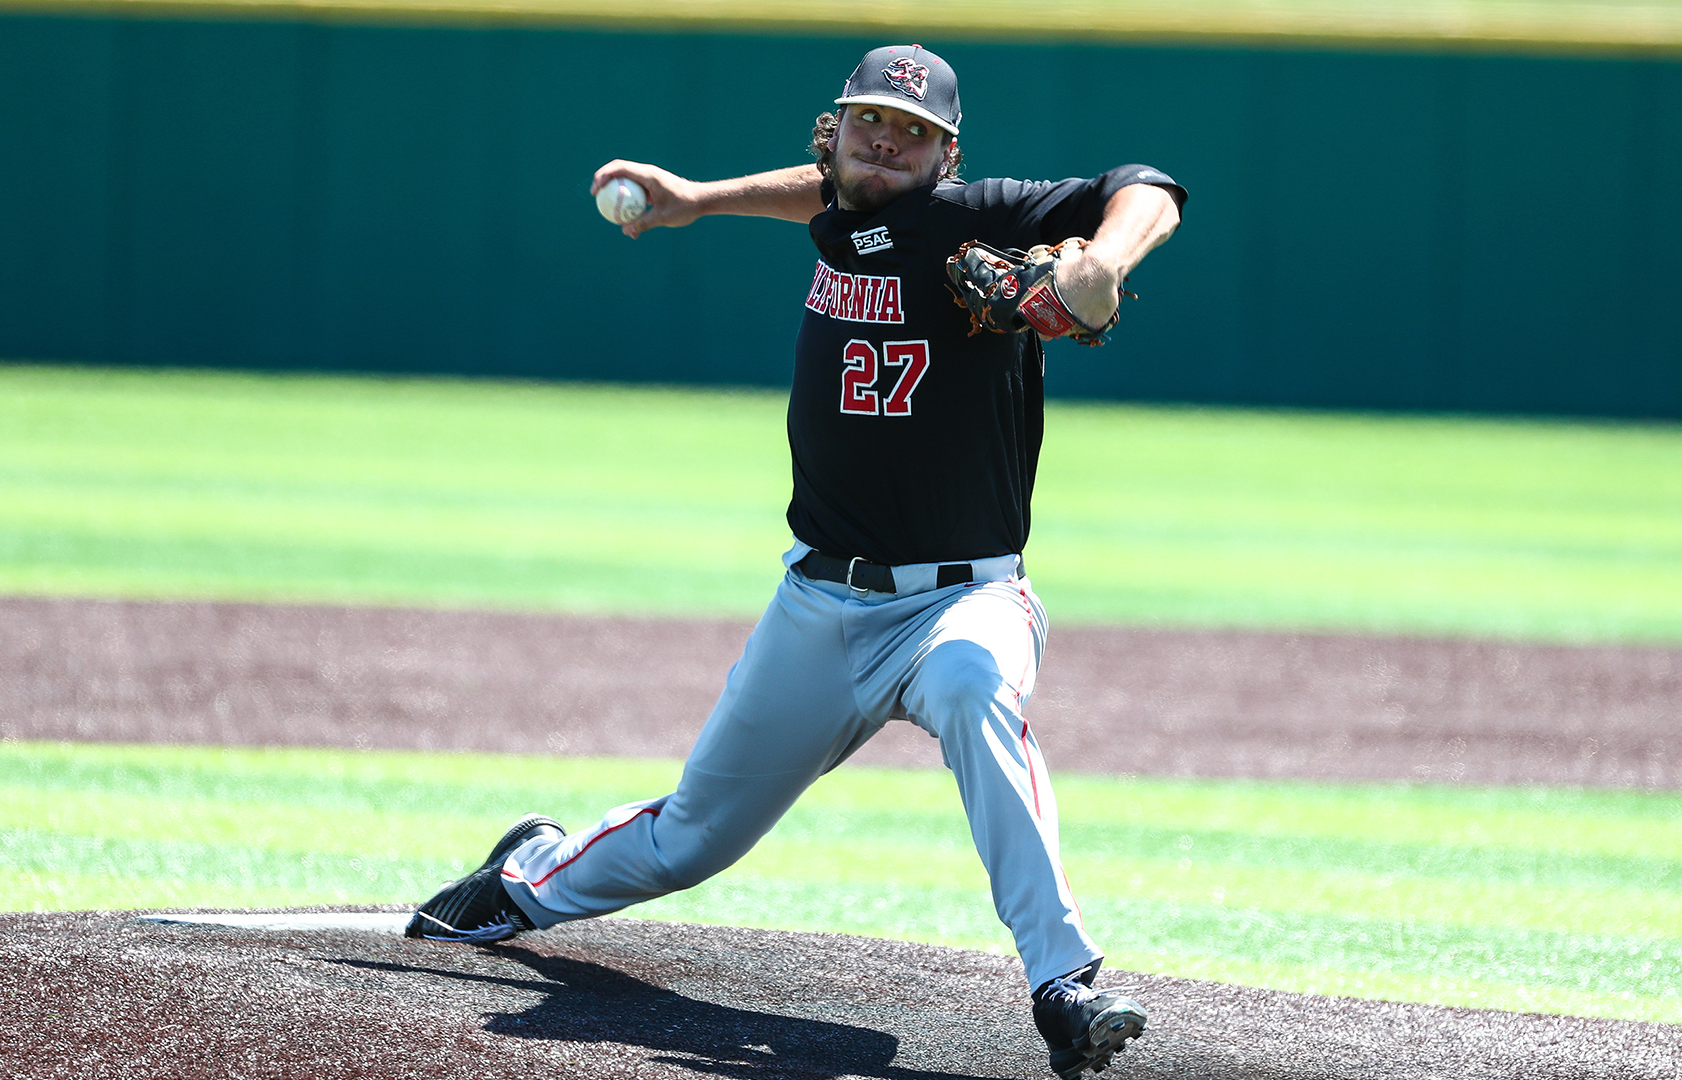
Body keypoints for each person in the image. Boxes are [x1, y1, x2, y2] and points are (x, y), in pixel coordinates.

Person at [406, 43, 1185, 1080]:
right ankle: (528, 875)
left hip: (965, 600)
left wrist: (1101, 262)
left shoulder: (978, 216)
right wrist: (698, 200)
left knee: (970, 684)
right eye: (871, 121)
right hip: (820, 606)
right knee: (692, 840)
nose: (888, 142)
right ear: (838, 127)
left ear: (947, 151)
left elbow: (1150, 187)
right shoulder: (845, 205)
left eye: (914, 132)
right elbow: (825, 199)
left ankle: (1064, 982)